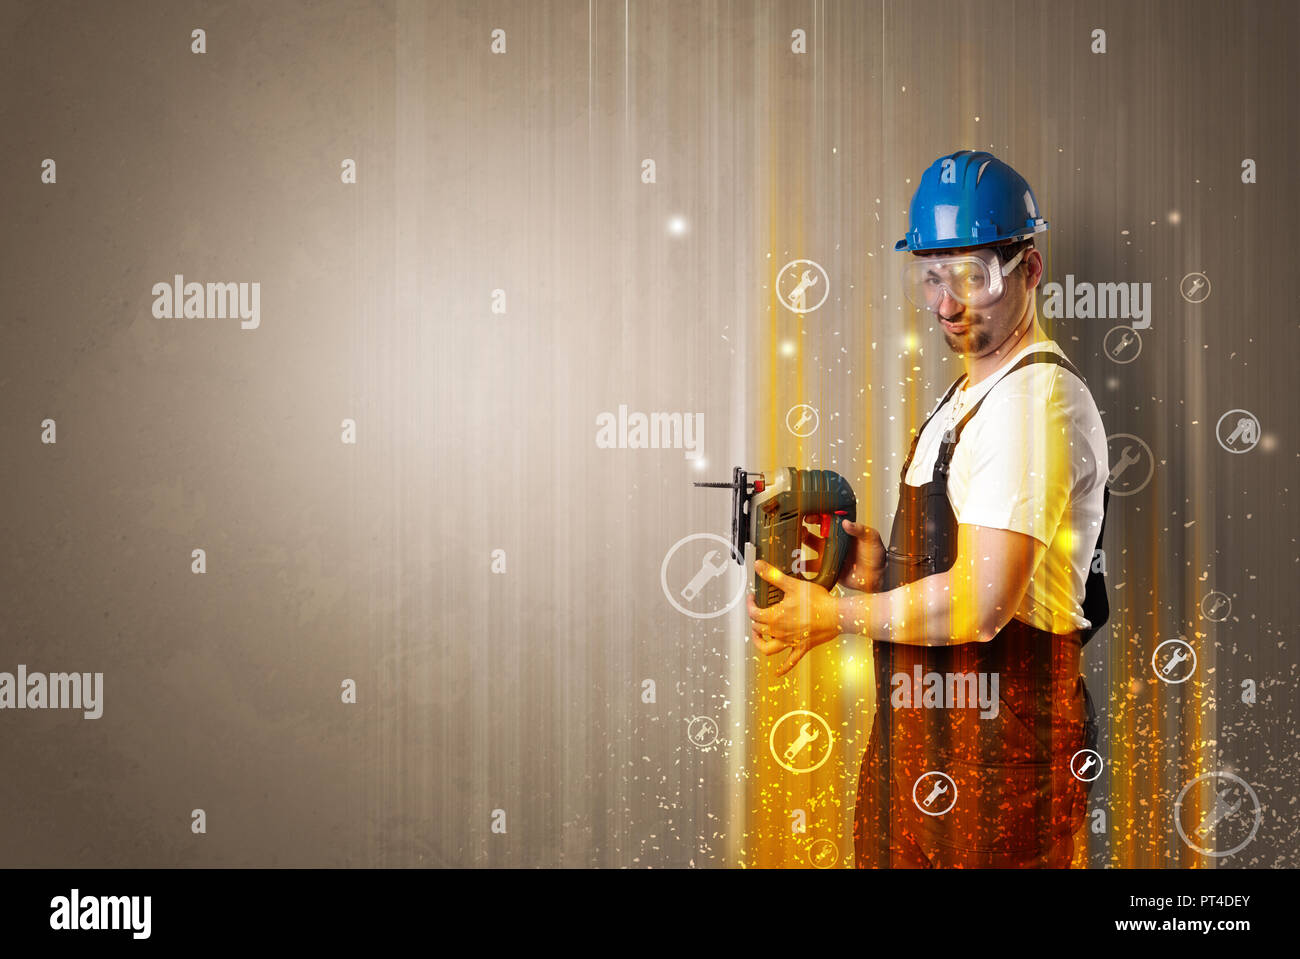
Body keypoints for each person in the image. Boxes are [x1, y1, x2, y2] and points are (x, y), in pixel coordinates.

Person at [746, 150, 1111, 868]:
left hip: (1002, 768)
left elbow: (979, 604)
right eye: (931, 275)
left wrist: (831, 616)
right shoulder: (967, 398)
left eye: (973, 275)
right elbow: (955, 572)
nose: (947, 302)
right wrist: (882, 573)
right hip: (919, 755)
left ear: (1029, 269)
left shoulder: (1032, 404)